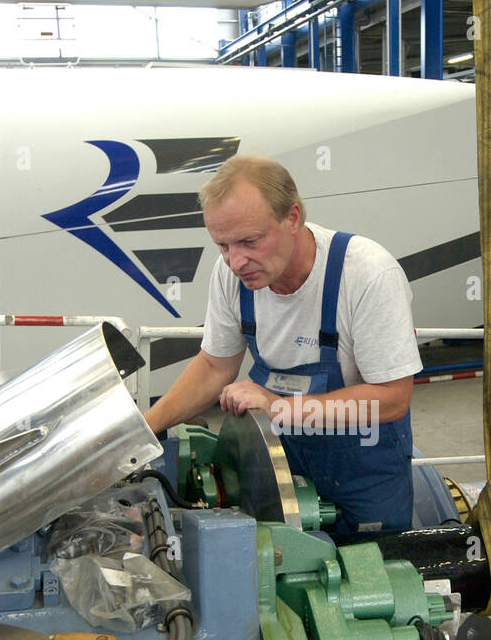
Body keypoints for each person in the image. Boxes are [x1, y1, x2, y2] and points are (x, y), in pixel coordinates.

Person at [143, 156, 422, 533]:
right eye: (222, 245)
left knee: (372, 576)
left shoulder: (366, 274)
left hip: (363, 467)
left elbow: (391, 398)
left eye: (250, 241)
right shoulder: (232, 276)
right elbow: (215, 367)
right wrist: (143, 433)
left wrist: (280, 408)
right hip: (280, 460)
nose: (236, 261)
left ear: (293, 218)